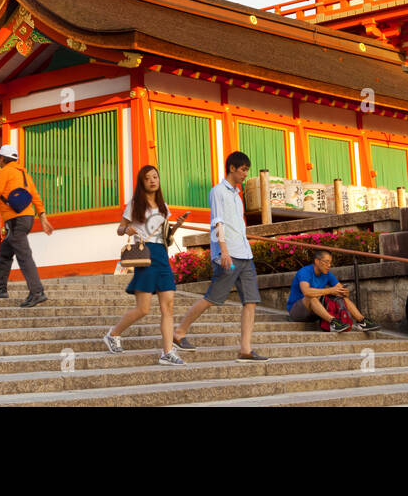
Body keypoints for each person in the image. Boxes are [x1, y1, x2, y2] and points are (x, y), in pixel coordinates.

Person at [172, 151, 267, 361]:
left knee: (250, 301)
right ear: (232, 168)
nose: (245, 174)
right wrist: (224, 251)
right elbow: (218, 222)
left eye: (246, 171)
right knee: (212, 298)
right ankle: (179, 333)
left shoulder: (236, 194)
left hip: (245, 255)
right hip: (229, 255)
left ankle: (245, 349)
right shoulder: (218, 191)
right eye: (243, 170)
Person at [103, 165, 191, 366]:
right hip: (145, 255)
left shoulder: (163, 207)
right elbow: (119, 229)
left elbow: (167, 236)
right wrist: (128, 229)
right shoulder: (135, 204)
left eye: (155, 177)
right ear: (142, 183)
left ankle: (167, 352)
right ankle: (113, 334)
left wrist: (177, 224)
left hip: (162, 255)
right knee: (143, 309)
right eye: (148, 178)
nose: (153, 180)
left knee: (168, 305)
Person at [0, 144, 53, 307]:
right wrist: (42, 216)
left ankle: (37, 292)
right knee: (5, 252)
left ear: (3, 158)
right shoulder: (24, 173)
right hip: (27, 218)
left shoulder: (5, 172)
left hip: (16, 219)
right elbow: (35, 196)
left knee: (24, 255)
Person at [286, 249, 379, 333]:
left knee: (341, 297)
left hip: (316, 312)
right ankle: (333, 322)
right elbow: (306, 292)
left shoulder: (327, 274)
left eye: (330, 262)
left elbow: (339, 289)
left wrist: (344, 293)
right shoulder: (305, 272)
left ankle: (362, 321)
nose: (329, 265)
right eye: (326, 262)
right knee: (312, 298)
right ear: (317, 261)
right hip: (297, 312)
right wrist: (331, 290)